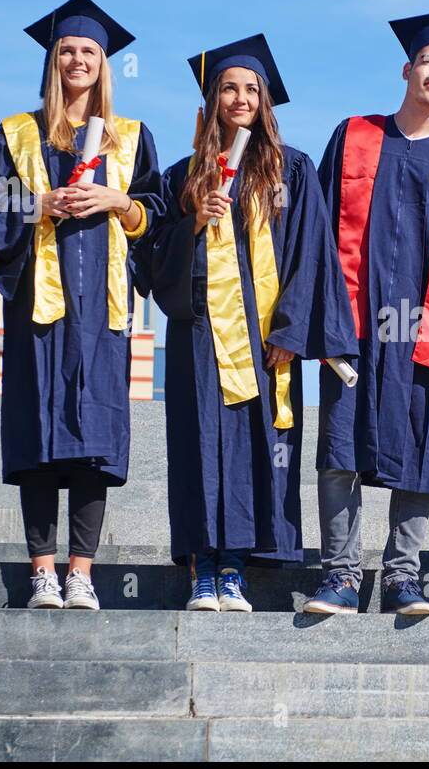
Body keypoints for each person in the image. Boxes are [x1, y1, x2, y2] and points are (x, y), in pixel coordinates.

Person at [150, 35, 356, 612]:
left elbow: (312, 254)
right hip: (200, 338)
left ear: (264, 100)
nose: (239, 98)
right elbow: (153, 263)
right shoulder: (182, 176)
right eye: (228, 88)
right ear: (212, 99)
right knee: (197, 447)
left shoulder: (290, 169)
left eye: (250, 89)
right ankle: (203, 570)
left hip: (268, 343)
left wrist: (292, 332)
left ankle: (235, 569)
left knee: (253, 450)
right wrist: (192, 222)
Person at [304, 8, 429, 616]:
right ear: (406, 68)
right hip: (355, 320)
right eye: (428, 61)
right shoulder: (354, 134)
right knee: (340, 447)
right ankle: (339, 575)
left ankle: (402, 576)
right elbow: (315, 232)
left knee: (422, 443)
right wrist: (321, 321)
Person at [0, 0, 161, 611]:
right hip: (39, 310)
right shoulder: (15, 133)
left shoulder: (131, 138)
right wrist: (41, 205)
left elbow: (156, 215)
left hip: (103, 316)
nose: (77, 60)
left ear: (104, 63)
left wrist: (117, 202)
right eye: (67, 51)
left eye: (88, 51)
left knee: (93, 440)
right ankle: (41, 572)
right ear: (52, 62)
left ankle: (81, 570)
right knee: (38, 439)